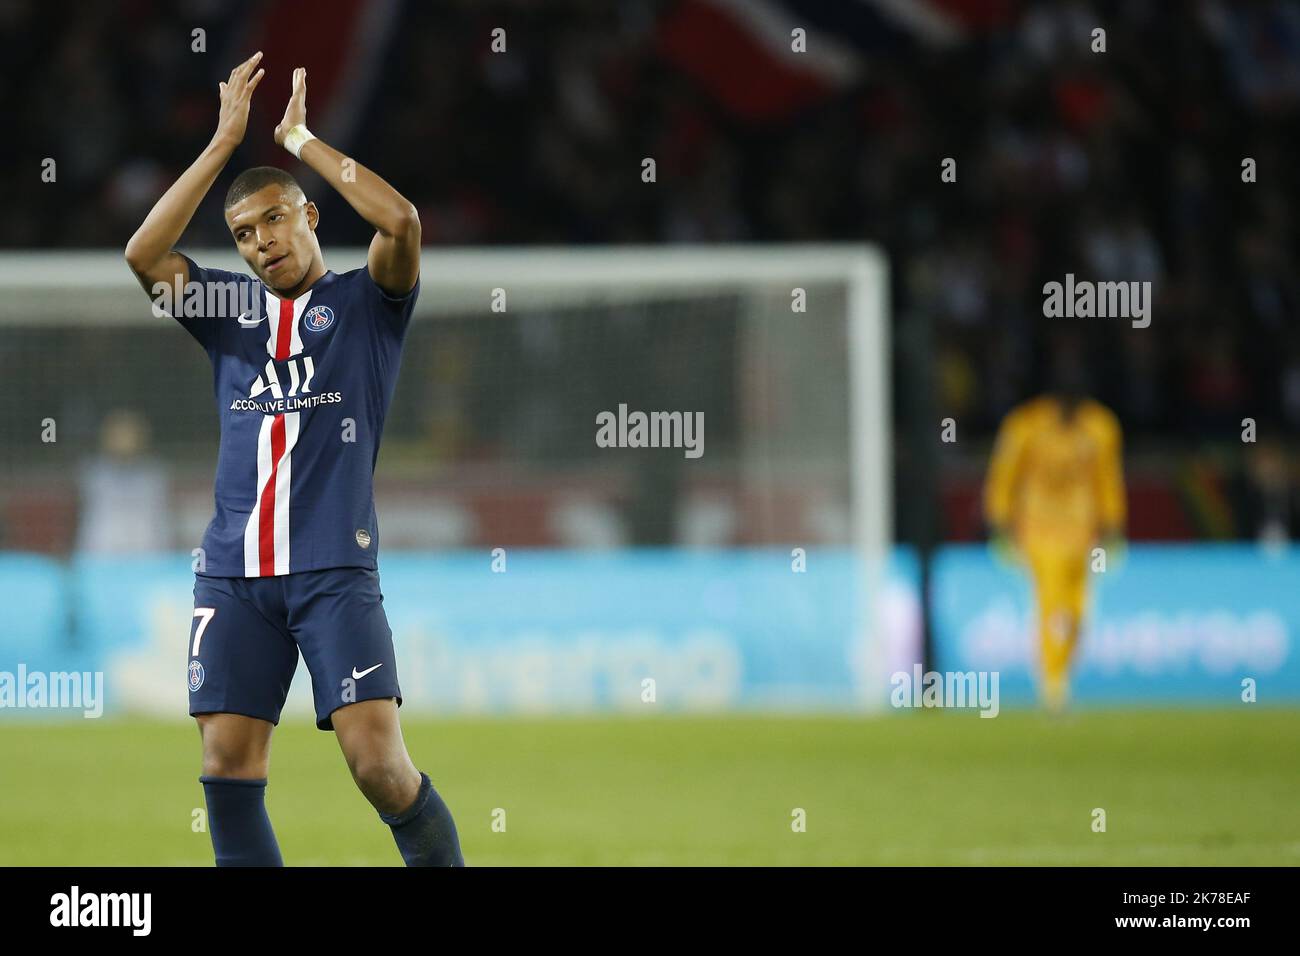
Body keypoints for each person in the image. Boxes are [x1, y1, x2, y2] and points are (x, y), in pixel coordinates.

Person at [124, 53, 463, 865]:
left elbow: (403, 222)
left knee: (378, 765)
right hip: (233, 572)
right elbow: (143, 255)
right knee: (227, 765)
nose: (261, 243)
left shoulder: (365, 303)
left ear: (309, 216)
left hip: (331, 570)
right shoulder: (226, 311)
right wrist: (220, 145)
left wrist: (301, 139)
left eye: (275, 220)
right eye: (244, 233)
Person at [983, 351, 1126, 714]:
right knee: (1050, 604)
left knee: (1078, 611)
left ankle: (1060, 674)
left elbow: (1108, 478)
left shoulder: (1101, 427)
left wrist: (1113, 523)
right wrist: (999, 520)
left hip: (1084, 533)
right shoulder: (1025, 425)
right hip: (1039, 530)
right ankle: (1052, 683)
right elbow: (1005, 474)